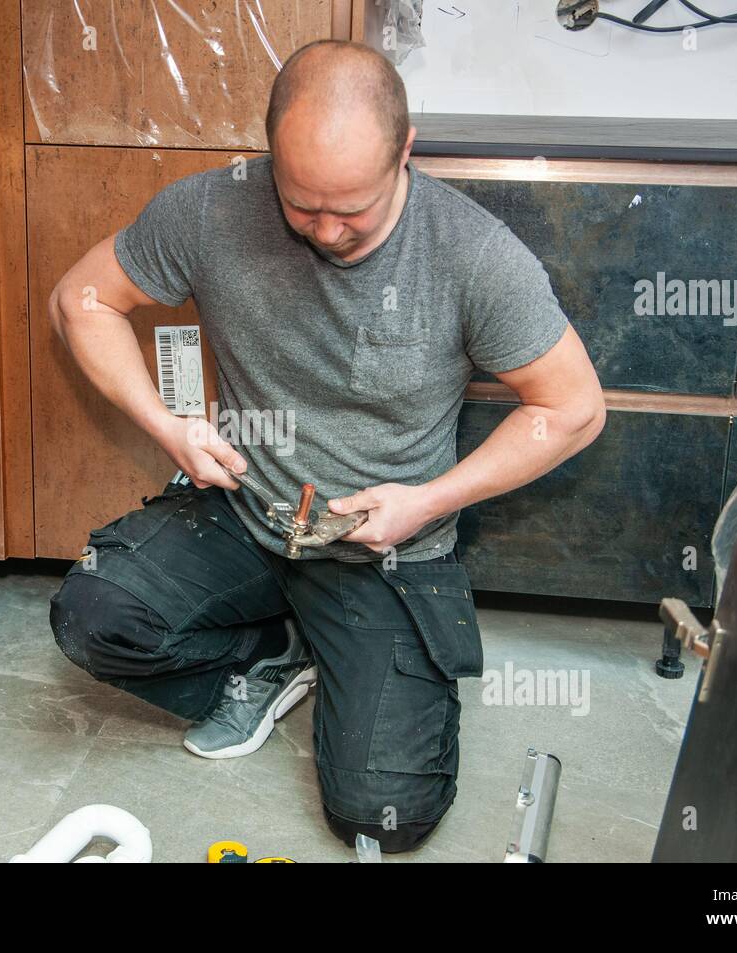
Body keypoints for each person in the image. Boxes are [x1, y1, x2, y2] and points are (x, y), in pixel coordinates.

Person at [47, 39, 605, 852]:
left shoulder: (473, 253)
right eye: (302, 204)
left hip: (382, 547)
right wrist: (168, 423)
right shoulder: (209, 209)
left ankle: (340, 658)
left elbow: (573, 407)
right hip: (244, 516)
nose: (328, 230)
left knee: (382, 814)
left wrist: (430, 500)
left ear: (405, 152)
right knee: (93, 615)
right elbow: (83, 298)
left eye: (354, 208)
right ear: (271, 155)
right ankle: (269, 656)